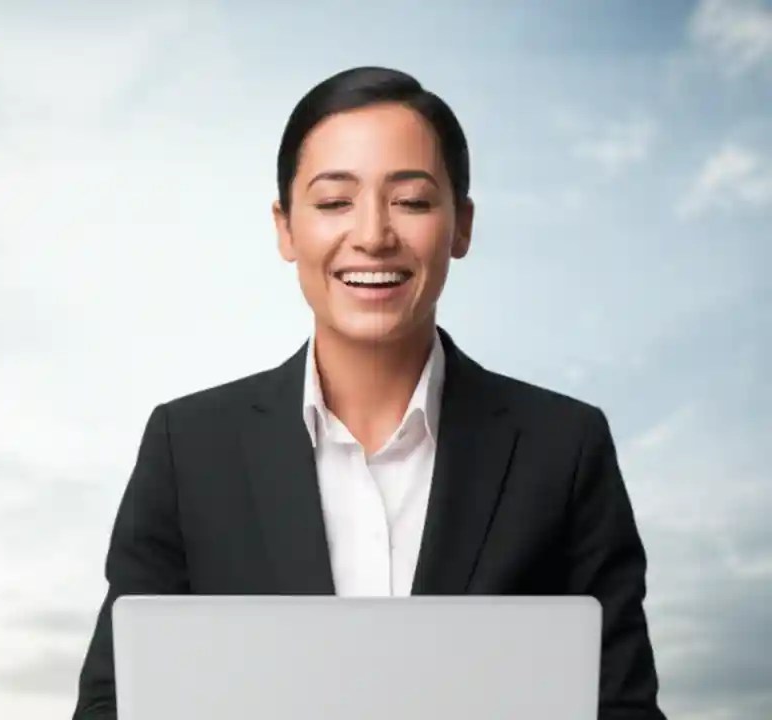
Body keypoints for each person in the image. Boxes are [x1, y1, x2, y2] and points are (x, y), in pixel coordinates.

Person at [71, 66, 666, 720]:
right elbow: (115, 704)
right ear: (286, 229)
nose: (374, 234)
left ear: (461, 225)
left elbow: (622, 709)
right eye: (333, 203)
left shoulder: (564, 450)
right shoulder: (187, 451)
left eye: (411, 201)